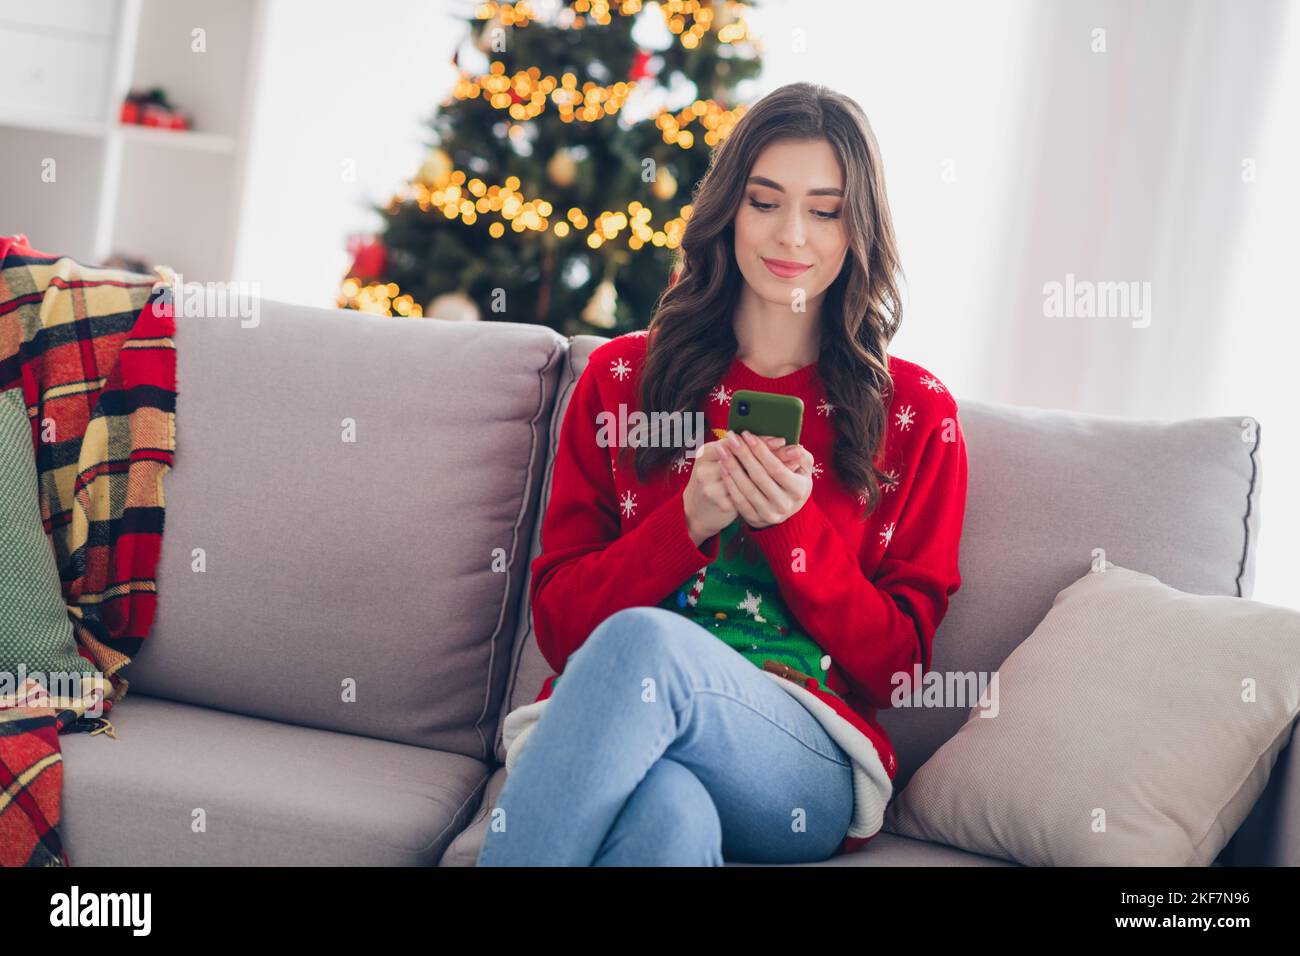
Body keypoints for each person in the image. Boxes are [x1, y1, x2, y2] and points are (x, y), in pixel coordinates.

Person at [476, 81, 969, 866]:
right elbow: (564, 630)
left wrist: (792, 530)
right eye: (764, 201)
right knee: (668, 822)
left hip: (796, 758)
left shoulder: (914, 412)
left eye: (826, 209)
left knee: (646, 642)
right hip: (611, 724)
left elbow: (899, 668)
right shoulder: (618, 381)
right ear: (727, 211)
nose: (792, 236)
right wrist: (688, 524)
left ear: (858, 227)